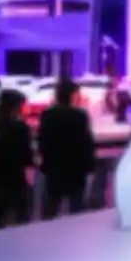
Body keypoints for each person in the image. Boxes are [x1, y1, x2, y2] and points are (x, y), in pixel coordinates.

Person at [36, 80, 96, 219]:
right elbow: (86, 143)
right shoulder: (80, 115)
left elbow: (42, 140)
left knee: (51, 207)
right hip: (75, 168)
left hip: (54, 167)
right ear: (72, 95)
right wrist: (90, 165)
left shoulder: (48, 115)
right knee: (76, 208)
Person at [0, 90, 35, 230]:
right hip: (14, 180)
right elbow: (25, 156)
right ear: (16, 106)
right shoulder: (20, 128)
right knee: (21, 219)